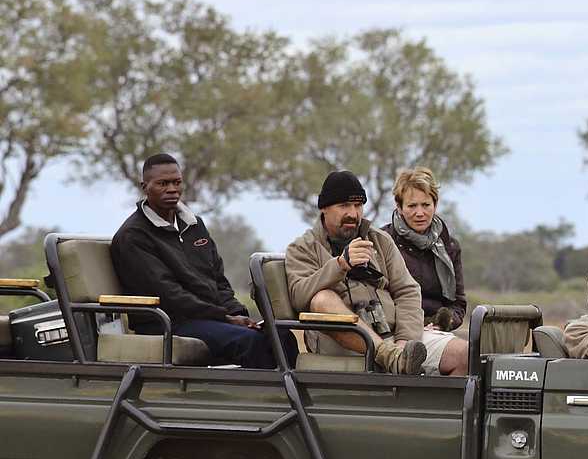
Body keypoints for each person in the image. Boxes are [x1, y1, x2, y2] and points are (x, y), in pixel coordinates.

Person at [108, 152, 295, 369]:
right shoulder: (134, 236)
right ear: (145, 186)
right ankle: (262, 400)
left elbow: (218, 280)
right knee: (250, 342)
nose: (172, 189)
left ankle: (294, 401)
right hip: (167, 322)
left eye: (177, 182)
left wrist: (237, 313)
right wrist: (225, 318)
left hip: (207, 318)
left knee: (281, 335)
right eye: (163, 183)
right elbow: (169, 295)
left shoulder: (194, 225)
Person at [285, 170, 467, 375]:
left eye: (358, 206)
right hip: (345, 341)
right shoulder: (302, 248)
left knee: (465, 355)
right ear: (324, 208)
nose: (353, 214)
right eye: (344, 205)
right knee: (322, 299)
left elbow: (407, 290)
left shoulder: (379, 240)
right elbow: (299, 296)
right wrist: (340, 265)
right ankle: (389, 357)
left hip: (394, 336)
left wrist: (404, 340)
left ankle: (423, 401)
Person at [383, 167, 468, 336]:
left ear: (435, 205)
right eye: (412, 205)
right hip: (397, 328)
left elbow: (458, 304)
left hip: (439, 329)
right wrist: (412, 326)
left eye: (426, 205)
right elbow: (377, 297)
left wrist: (443, 323)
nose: (419, 213)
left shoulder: (450, 246)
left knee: (477, 350)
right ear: (399, 207)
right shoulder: (383, 241)